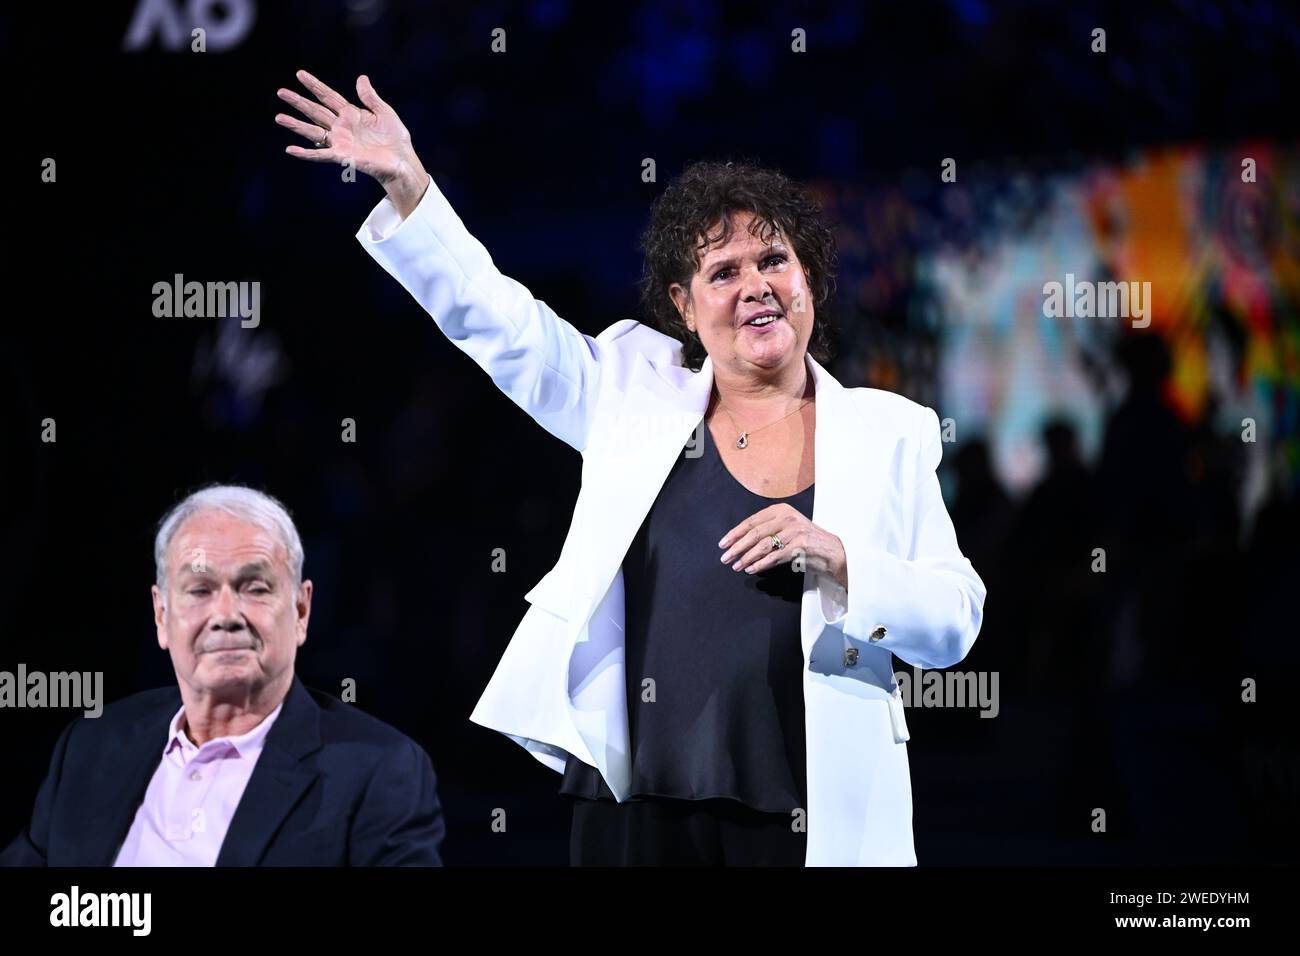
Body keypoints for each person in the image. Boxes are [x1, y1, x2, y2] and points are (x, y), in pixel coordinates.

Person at [276, 70, 985, 866]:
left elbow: (956, 617)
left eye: (774, 261)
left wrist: (841, 558)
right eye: (724, 273)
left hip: (807, 810)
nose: (755, 285)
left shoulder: (890, 432)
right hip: (635, 806)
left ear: (809, 279)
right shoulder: (628, 385)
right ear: (683, 306)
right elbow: (505, 328)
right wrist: (412, 188)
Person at [0, 484, 445, 866]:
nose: (226, 615)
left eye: (255, 588)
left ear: (301, 611)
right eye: (199, 589)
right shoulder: (92, 745)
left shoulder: (377, 772)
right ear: (161, 615)